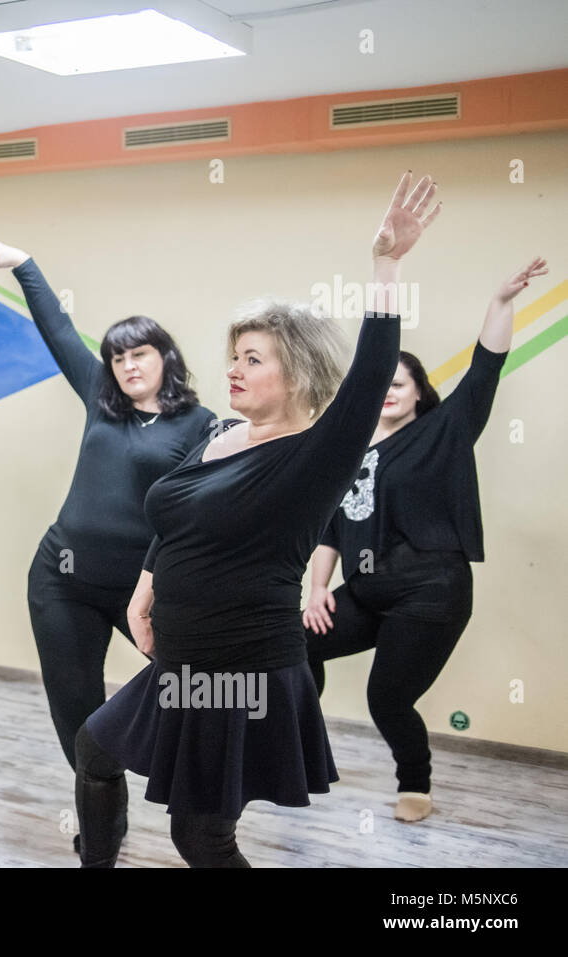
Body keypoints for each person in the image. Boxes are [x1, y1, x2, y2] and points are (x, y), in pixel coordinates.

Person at [73, 171, 441, 867]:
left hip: (239, 667)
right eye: (233, 357)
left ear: (297, 372)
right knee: (95, 749)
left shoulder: (315, 454)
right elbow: (177, 517)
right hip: (185, 658)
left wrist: (385, 263)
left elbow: (369, 375)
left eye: (253, 359)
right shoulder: (221, 434)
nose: (234, 370)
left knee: (202, 836)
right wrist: (145, 586)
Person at [0, 235, 216, 856]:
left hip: (143, 586)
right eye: (117, 357)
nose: (128, 365)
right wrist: (25, 265)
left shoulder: (202, 425)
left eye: (140, 353)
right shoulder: (100, 403)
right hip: (61, 579)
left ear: (165, 357)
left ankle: (206, 813)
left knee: (194, 686)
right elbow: (57, 328)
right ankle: (102, 828)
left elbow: (195, 517)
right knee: (76, 715)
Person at [303, 256, 547, 823]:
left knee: (386, 699)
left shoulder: (445, 431)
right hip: (363, 591)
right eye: (379, 384)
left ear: (418, 392)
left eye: (398, 383)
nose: (386, 392)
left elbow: (486, 366)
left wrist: (501, 303)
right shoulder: (347, 454)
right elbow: (328, 532)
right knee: (295, 645)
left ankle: (415, 787)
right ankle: (300, 747)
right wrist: (317, 591)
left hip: (430, 592)